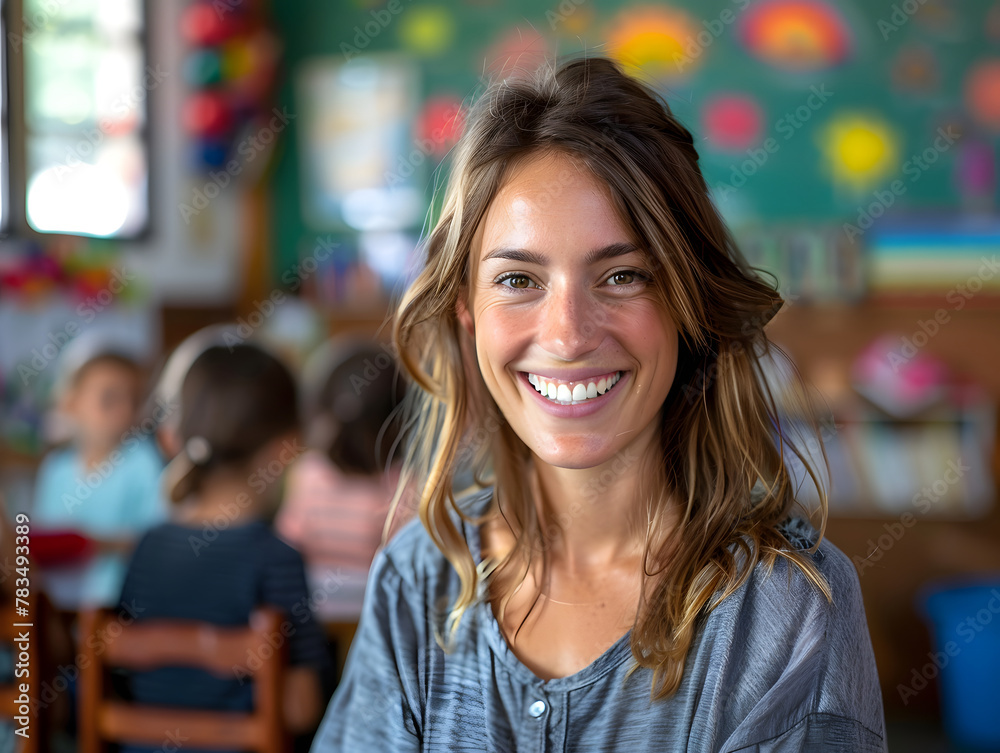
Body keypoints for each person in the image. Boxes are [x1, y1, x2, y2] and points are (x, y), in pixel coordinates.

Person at [310, 55, 887, 752]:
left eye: (621, 275)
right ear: (467, 309)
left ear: (687, 301)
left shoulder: (785, 610)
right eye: (519, 278)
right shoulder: (417, 582)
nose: (567, 333)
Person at [116, 342, 330, 752]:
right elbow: (300, 708)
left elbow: (122, 679)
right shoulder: (277, 558)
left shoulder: (147, 547)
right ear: (286, 448)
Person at [275, 336, 415, 622]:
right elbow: (405, 559)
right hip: (376, 619)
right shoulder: (402, 483)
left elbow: (287, 543)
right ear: (398, 418)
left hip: (310, 617)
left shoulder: (307, 472)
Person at [32, 347, 166, 607]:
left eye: (134, 400)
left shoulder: (144, 461)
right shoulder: (54, 468)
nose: (124, 410)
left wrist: (94, 544)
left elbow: (158, 543)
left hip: (118, 608)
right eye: (109, 399)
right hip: (57, 603)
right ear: (71, 404)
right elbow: (42, 539)